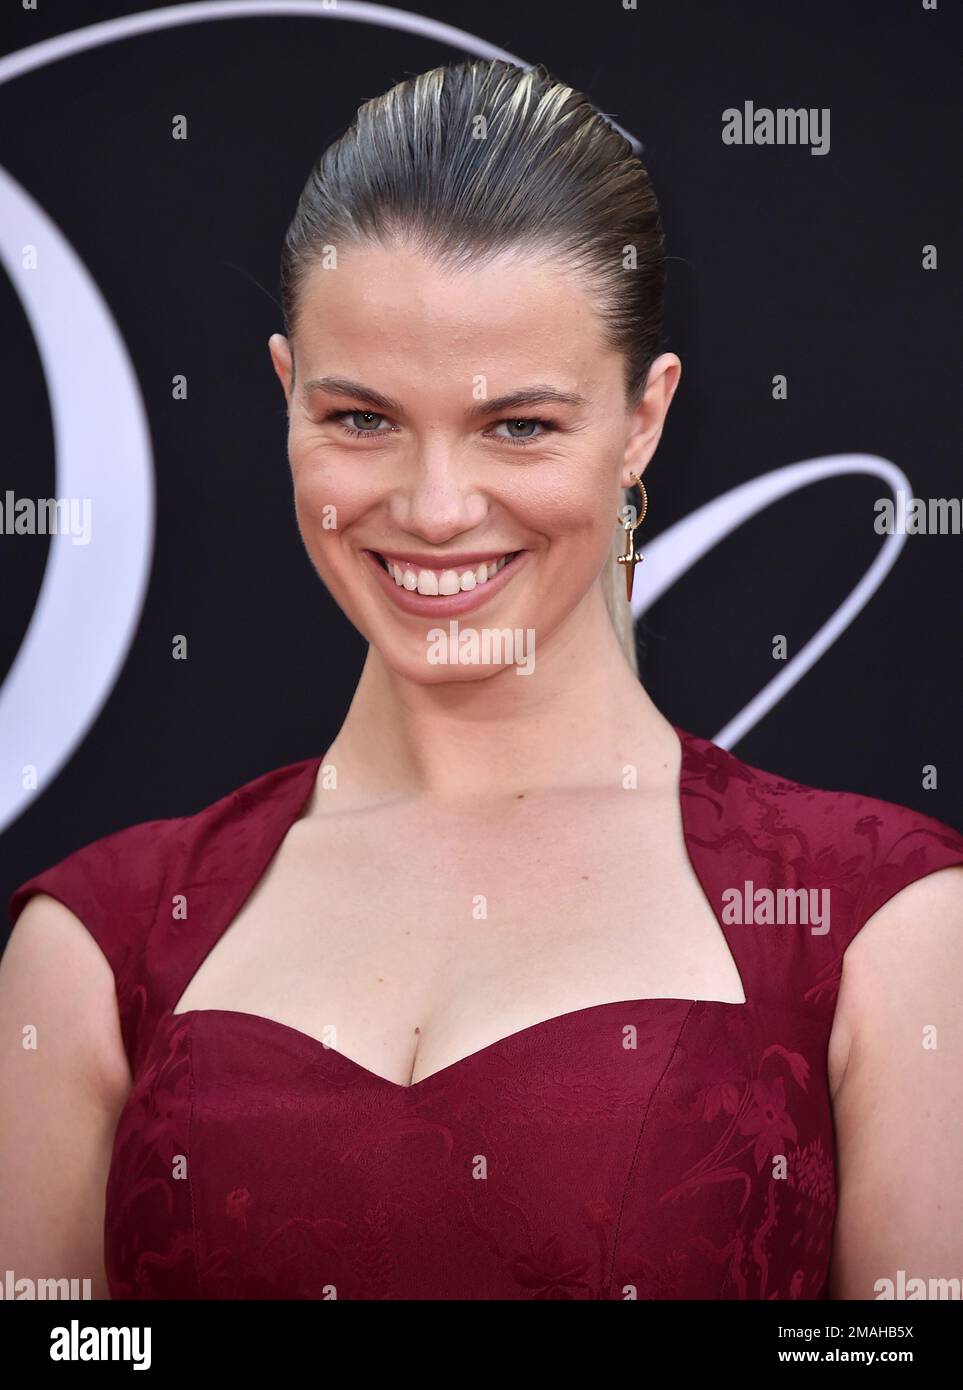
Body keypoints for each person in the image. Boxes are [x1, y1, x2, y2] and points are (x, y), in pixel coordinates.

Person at [2, 58, 961, 1302]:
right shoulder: (93, 944)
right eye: (362, 420)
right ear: (287, 395)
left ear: (643, 420)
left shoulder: (883, 923)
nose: (436, 508)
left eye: (519, 426)